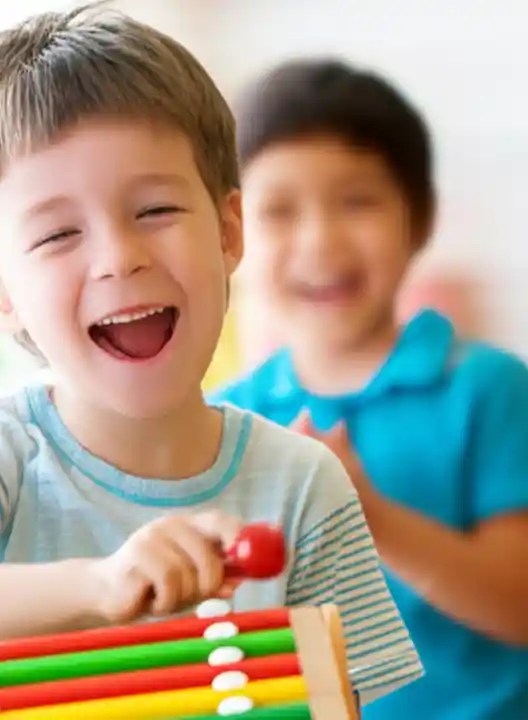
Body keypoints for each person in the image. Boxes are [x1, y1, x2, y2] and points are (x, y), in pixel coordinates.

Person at [0, 3, 422, 707]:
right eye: (58, 234)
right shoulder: (3, 453)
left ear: (227, 231)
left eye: (155, 211)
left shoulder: (302, 484)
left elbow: (352, 700)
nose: (120, 258)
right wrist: (98, 584)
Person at [213, 58, 528, 719]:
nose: (320, 240)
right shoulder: (228, 419)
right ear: (232, 234)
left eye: (357, 201)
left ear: (419, 220)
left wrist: (372, 518)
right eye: (279, 211)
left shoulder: (488, 389)